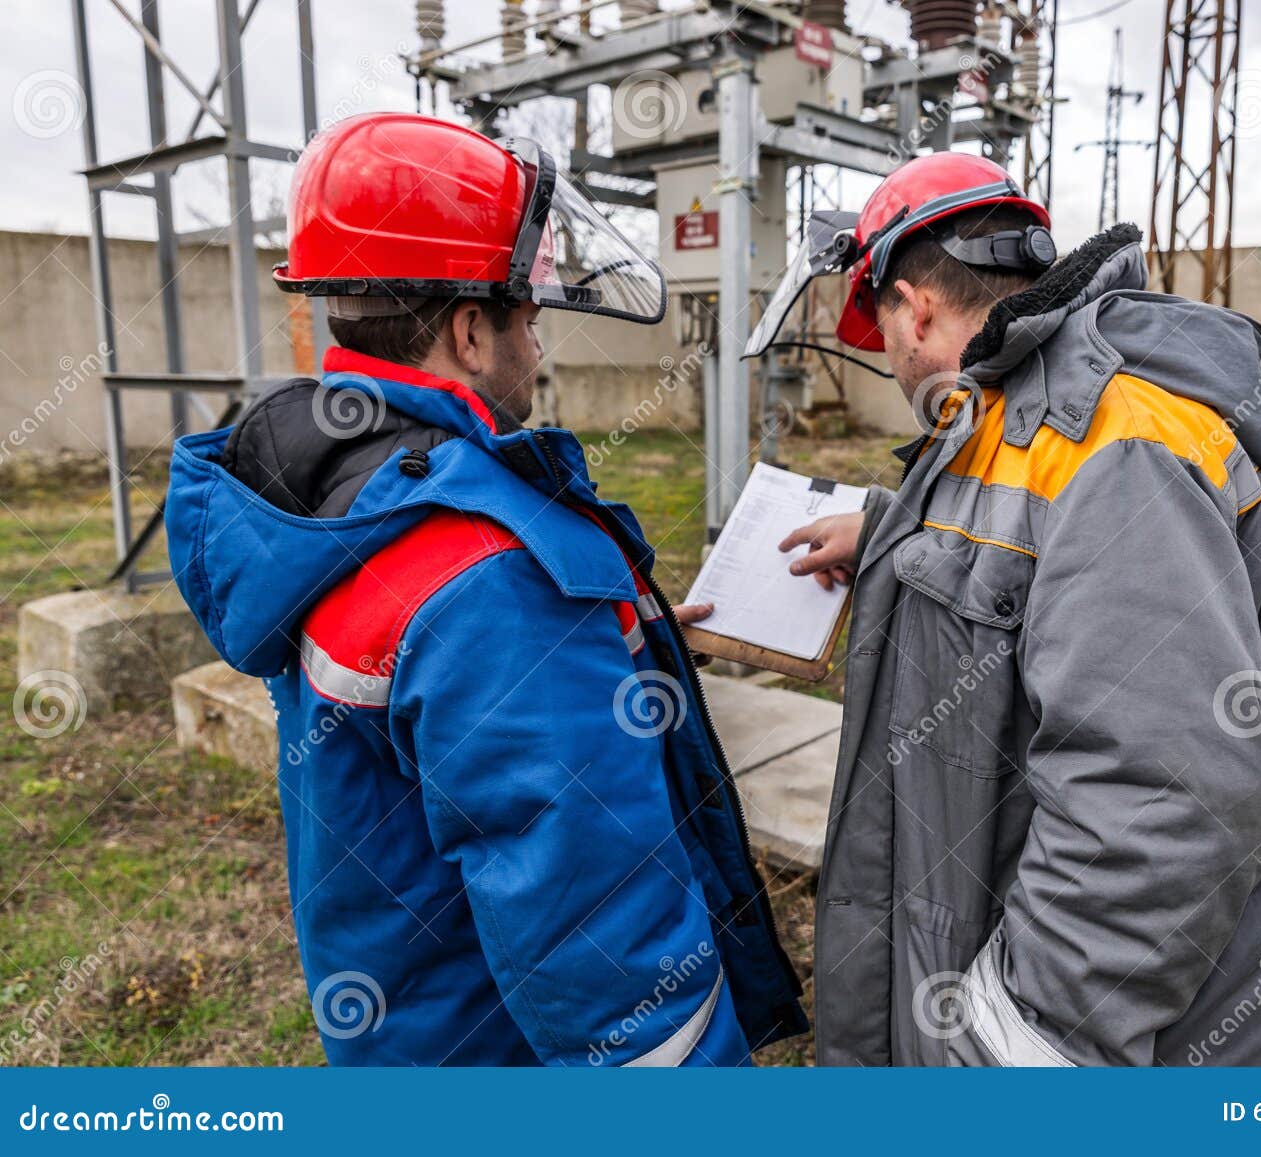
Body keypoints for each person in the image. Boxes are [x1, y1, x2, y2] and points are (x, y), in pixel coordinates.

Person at [164, 113, 805, 1066]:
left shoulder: (335, 500)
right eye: (530, 317)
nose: (537, 347)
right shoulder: (493, 579)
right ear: (471, 329)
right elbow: (607, 954)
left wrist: (604, 641)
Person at [759, 152, 1261, 1065]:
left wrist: (1013, 1040)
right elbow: (1029, 542)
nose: (897, 366)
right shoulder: (1022, 405)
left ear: (917, 309)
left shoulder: (1120, 440)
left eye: (891, 340)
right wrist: (885, 529)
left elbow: (1164, 799)